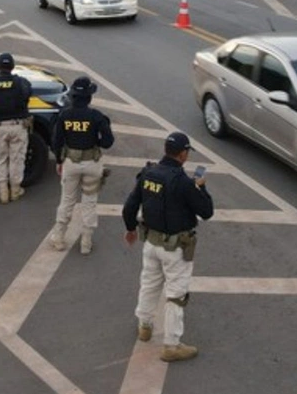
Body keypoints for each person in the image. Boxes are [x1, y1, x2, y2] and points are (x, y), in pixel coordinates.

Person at [122, 131, 214, 362]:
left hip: (151, 243)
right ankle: (171, 345)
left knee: (149, 283)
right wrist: (200, 187)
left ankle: (145, 325)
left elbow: (129, 206)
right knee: (175, 295)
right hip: (176, 249)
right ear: (183, 154)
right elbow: (206, 211)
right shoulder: (183, 182)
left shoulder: (148, 174)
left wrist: (131, 229)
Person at [49, 76, 115, 255]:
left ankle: (59, 237)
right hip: (92, 164)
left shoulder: (64, 115)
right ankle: (86, 241)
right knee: (89, 203)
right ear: (89, 97)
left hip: (70, 163)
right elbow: (108, 142)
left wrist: (59, 161)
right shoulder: (96, 117)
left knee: (67, 201)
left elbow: (56, 141)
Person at [0, 52, 32, 204]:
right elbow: (28, 92)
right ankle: (15, 190)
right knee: (17, 158)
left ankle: (3, 191)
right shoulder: (21, 82)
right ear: (12, 67)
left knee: (0, 158)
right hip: (18, 126)